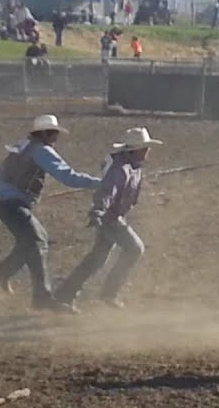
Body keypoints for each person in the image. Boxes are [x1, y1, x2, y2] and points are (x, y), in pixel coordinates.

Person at [0, 115, 100, 312]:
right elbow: (69, 177)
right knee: (37, 241)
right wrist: (98, 183)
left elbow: (2, 170)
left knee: (34, 240)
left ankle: (3, 272)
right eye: (54, 133)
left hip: (5, 202)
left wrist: (0, 192)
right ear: (46, 133)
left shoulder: (23, 146)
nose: (56, 137)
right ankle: (42, 297)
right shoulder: (42, 151)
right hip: (13, 203)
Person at [54, 127, 162, 310]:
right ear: (135, 149)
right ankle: (109, 293)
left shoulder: (132, 167)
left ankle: (65, 294)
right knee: (135, 248)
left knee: (97, 258)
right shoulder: (120, 169)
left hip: (112, 216)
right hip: (110, 217)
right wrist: (98, 210)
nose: (147, 151)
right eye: (145, 148)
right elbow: (107, 191)